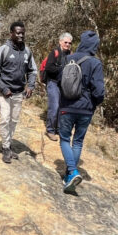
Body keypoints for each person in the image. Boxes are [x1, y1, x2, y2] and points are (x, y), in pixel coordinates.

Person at [57, 30, 105, 193]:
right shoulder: (95, 63)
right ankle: (69, 174)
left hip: (67, 106)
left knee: (64, 138)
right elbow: (99, 91)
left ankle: (72, 172)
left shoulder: (69, 58)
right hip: (86, 109)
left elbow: (59, 81)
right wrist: (94, 104)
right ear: (95, 46)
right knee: (77, 141)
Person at [0, 21, 37, 163]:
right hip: (4, 92)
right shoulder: (4, 49)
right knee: (5, 119)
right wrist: (3, 88)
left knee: (14, 120)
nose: (21, 35)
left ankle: (8, 144)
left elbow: (32, 70)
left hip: (19, 93)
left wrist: (30, 86)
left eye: (23, 33)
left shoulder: (27, 51)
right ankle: (6, 148)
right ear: (11, 34)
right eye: (18, 33)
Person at [44, 32, 73, 141]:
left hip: (64, 84)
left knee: (62, 108)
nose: (67, 44)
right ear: (60, 42)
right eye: (65, 42)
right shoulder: (54, 53)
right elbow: (48, 68)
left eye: (69, 43)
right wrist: (62, 69)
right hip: (53, 82)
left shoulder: (70, 54)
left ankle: (59, 129)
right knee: (54, 106)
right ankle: (50, 130)